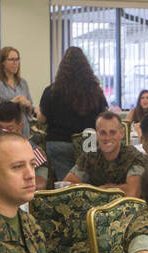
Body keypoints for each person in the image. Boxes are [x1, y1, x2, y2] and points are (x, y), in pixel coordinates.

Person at [38, 46, 108, 184]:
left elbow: (42, 119)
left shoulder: (52, 90)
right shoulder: (95, 91)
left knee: (67, 184)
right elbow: (103, 117)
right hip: (87, 144)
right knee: (88, 183)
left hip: (59, 143)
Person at [64, 110, 145, 195]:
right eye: (103, 133)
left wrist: (102, 189)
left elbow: (132, 192)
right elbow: (67, 185)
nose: (107, 137)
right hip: (95, 207)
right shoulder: (90, 156)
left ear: (121, 134)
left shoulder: (134, 157)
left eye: (112, 132)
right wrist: (99, 190)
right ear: (97, 135)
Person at [0, 45, 33, 121]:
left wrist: (28, 104)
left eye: (17, 59)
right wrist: (13, 102)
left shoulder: (23, 83)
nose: (15, 63)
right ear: (2, 62)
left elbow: (31, 110)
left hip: (23, 127)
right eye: (11, 59)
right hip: (5, 127)